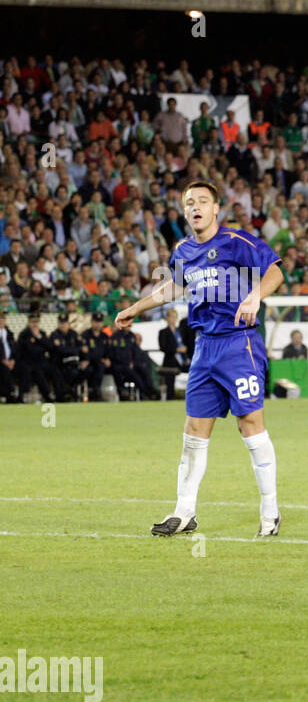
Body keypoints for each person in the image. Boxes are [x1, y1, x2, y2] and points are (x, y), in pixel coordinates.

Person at [114, 180, 284, 538]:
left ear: (215, 209)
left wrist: (255, 295)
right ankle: (184, 511)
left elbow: (275, 272)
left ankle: (270, 511)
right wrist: (135, 307)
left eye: (202, 201)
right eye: (189, 202)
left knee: (249, 423)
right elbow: (172, 287)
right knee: (194, 430)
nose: (195, 206)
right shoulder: (184, 251)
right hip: (204, 348)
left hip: (239, 344)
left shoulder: (236, 242)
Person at [16, 312, 56, 403]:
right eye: (32, 322)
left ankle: (58, 394)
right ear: (29, 323)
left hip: (42, 362)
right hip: (28, 362)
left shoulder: (42, 333)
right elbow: (30, 349)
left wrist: (39, 337)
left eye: (36, 322)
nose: (35, 324)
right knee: (33, 371)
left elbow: (50, 346)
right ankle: (25, 395)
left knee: (55, 370)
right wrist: (40, 345)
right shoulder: (24, 334)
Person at [49, 312, 87, 401]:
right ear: (58, 324)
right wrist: (78, 349)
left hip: (74, 363)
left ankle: (75, 392)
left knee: (87, 370)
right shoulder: (55, 335)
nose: (63, 325)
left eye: (65, 323)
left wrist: (85, 359)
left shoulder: (74, 334)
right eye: (61, 323)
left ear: (68, 324)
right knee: (61, 373)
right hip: (59, 363)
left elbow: (84, 348)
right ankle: (66, 394)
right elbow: (61, 350)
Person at [158, 308, 190, 400]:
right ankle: (170, 397)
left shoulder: (180, 331)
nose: (173, 319)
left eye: (175, 317)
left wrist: (185, 349)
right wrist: (176, 349)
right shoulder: (163, 332)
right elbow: (163, 347)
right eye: (171, 317)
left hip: (183, 359)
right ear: (167, 318)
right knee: (169, 378)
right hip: (171, 360)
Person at [0, 310, 18, 402]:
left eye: (3, 318)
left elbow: (14, 348)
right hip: (2, 362)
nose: (1, 321)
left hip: (10, 361)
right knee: (4, 370)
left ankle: (19, 395)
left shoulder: (9, 333)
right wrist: (3, 360)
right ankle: (10, 393)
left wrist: (13, 360)